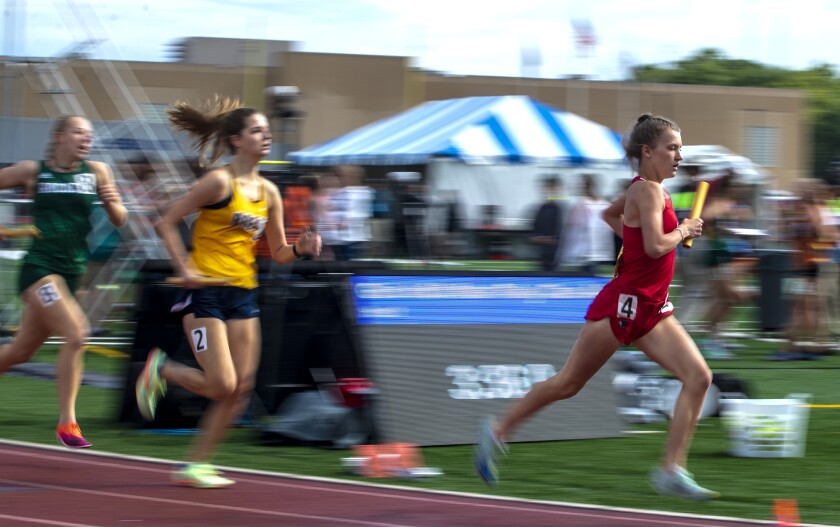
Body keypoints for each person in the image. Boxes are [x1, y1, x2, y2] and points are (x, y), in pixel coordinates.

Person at [474, 113, 719, 501]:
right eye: (672, 148)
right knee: (568, 383)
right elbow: (657, 245)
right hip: (625, 304)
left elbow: (612, 216)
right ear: (647, 151)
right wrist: (684, 231)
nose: (679, 156)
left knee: (699, 378)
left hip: (652, 307)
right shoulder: (649, 192)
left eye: (680, 149)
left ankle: (672, 470)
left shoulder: (652, 190)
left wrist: (638, 243)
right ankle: (497, 431)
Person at [135, 97, 321, 489]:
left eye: (267, 129)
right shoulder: (219, 182)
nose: (266, 135)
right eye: (257, 130)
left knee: (241, 389)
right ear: (237, 140)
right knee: (222, 384)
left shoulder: (269, 192)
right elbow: (166, 221)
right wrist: (184, 267)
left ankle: (195, 466)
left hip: (243, 293)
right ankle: (161, 369)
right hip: (205, 293)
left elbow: (281, 253)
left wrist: (301, 249)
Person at [0, 115, 128, 449]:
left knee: (19, 353)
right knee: (77, 333)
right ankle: (67, 422)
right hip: (39, 269)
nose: (86, 139)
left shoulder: (97, 171)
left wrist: (113, 200)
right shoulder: (33, 170)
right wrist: (5, 230)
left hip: (72, 271)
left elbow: (120, 218)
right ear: (59, 136)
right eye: (78, 133)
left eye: (90, 135)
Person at [531, 175, 567, 271]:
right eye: (548, 188)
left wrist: (547, 240)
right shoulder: (541, 208)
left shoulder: (562, 209)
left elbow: (562, 235)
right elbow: (534, 232)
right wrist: (539, 239)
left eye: (552, 188)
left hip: (557, 255)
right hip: (542, 254)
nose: (549, 191)